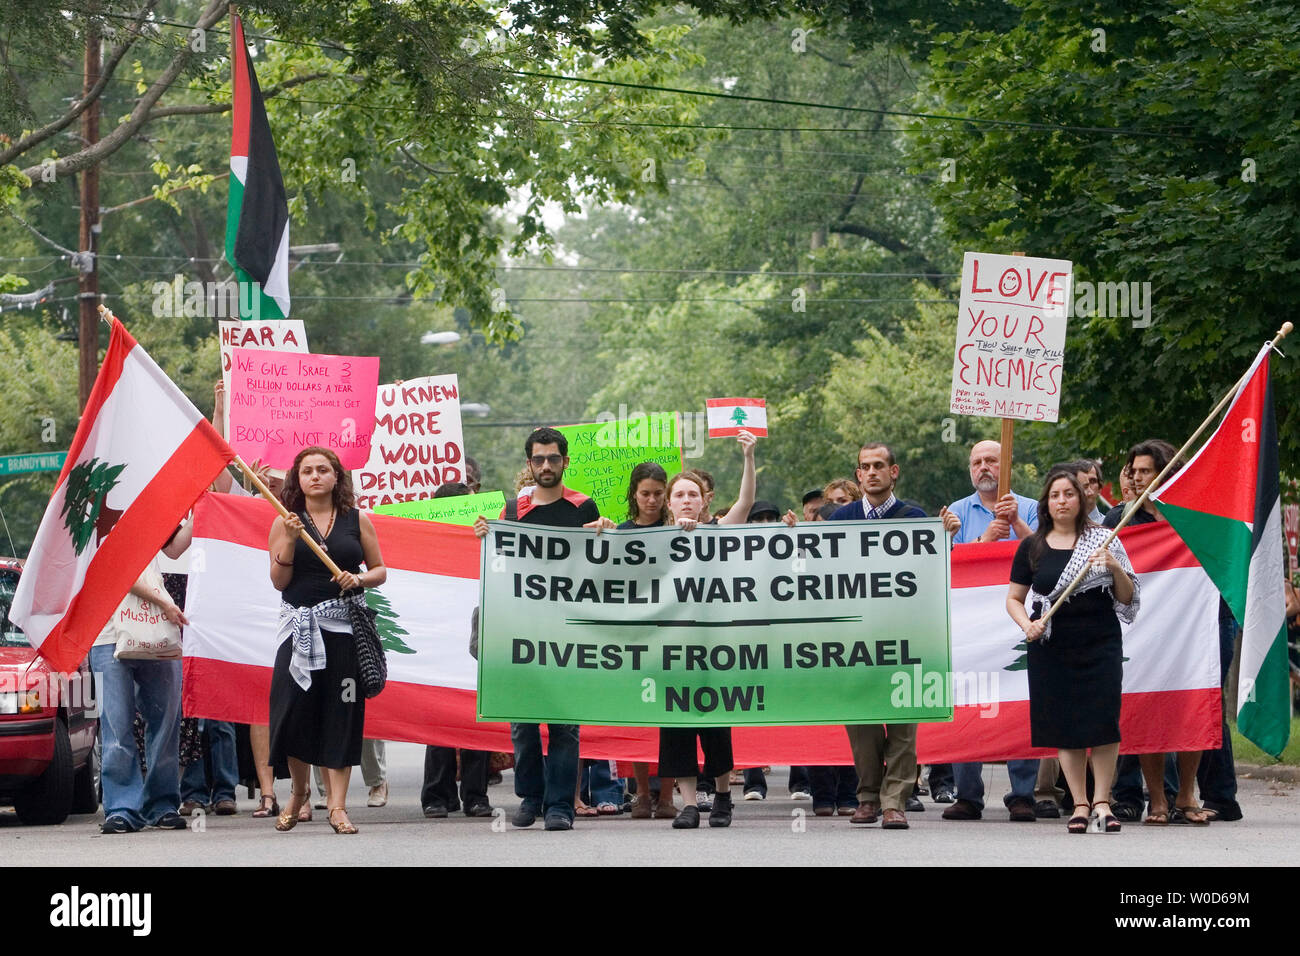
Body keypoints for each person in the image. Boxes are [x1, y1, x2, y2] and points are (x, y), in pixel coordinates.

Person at [473, 427, 600, 831]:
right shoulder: (512, 513)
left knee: (564, 722)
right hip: (522, 634)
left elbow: (601, 567)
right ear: (529, 464)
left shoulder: (584, 508)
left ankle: (560, 805)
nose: (547, 465)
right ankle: (532, 797)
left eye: (553, 458)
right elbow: (500, 569)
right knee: (524, 723)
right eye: (539, 459)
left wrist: (605, 537)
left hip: (569, 633)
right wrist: (486, 538)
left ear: (565, 462)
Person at [1006, 469, 1139, 833]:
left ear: (1081, 499)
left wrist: (1114, 567)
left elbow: (1127, 598)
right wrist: (1026, 624)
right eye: (1055, 495)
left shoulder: (1104, 540)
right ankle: (1079, 803)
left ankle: (1102, 802)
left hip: (1100, 640)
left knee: (1102, 721)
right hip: (1054, 644)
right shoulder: (1031, 545)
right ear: (1046, 502)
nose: (1062, 500)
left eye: (1069, 493)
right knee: (1065, 725)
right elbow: (1015, 599)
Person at [268, 447, 387, 835]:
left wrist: (360, 579)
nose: (315, 476)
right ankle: (300, 792)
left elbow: (380, 570)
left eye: (323, 469)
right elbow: (279, 582)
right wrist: (288, 540)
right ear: (297, 479)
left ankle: (337, 807)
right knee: (293, 714)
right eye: (307, 471)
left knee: (342, 715)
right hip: (298, 632)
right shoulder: (284, 522)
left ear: (337, 476)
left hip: (342, 635)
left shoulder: (357, 519)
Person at [1103, 439, 1212, 826]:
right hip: (1143, 630)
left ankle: (1186, 794)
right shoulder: (1121, 519)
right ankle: (1158, 799)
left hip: (1194, 627)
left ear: (1166, 471)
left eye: (1145, 470)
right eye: (1133, 471)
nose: (1137, 477)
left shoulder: (1194, 515)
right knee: (1147, 706)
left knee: (1191, 704)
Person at [657, 431, 757, 828]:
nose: (686, 500)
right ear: (669, 503)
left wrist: (748, 457)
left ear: (703, 502)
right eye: (679, 495)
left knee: (715, 724)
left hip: (715, 648)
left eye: (692, 495)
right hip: (672, 649)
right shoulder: (655, 540)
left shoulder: (719, 531)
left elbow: (746, 502)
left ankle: (721, 796)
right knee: (677, 727)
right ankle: (688, 805)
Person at [826, 443, 927, 829]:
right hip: (855, 638)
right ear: (858, 474)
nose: (871, 473)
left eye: (879, 466)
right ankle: (867, 796)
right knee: (862, 721)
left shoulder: (915, 519)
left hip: (904, 635)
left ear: (894, 471)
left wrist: (944, 537)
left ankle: (894, 801)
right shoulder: (840, 520)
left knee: (903, 721)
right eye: (865, 467)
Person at [939, 440, 1041, 821]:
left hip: (1019, 622)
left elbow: (1046, 557)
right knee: (971, 699)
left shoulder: (1030, 508)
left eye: (992, 461)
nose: (984, 467)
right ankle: (968, 795)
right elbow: (944, 568)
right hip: (974, 629)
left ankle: (1023, 795)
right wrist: (985, 542)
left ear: (1007, 465)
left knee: (1021, 700)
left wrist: (1015, 523)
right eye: (977, 462)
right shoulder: (955, 514)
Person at [594, 462, 677, 819]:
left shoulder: (679, 532)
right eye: (645, 493)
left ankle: (669, 796)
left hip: (674, 636)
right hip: (633, 638)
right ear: (633, 494)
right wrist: (600, 536)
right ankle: (642, 794)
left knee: (671, 718)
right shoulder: (620, 533)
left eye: (659, 493)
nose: (652, 500)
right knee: (640, 716)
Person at [93, 535, 191, 834]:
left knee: (166, 721)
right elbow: (119, 571)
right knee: (116, 724)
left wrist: (206, 498)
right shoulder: (94, 521)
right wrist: (164, 601)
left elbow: (176, 547)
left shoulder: (153, 511)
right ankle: (122, 807)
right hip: (108, 635)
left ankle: (161, 804)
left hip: (156, 631)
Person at [422, 482, 494, 818]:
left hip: (475, 635)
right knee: (440, 719)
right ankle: (439, 794)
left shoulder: (485, 538)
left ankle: (473, 794)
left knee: (474, 716)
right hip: (440, 637)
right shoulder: (424, 541)